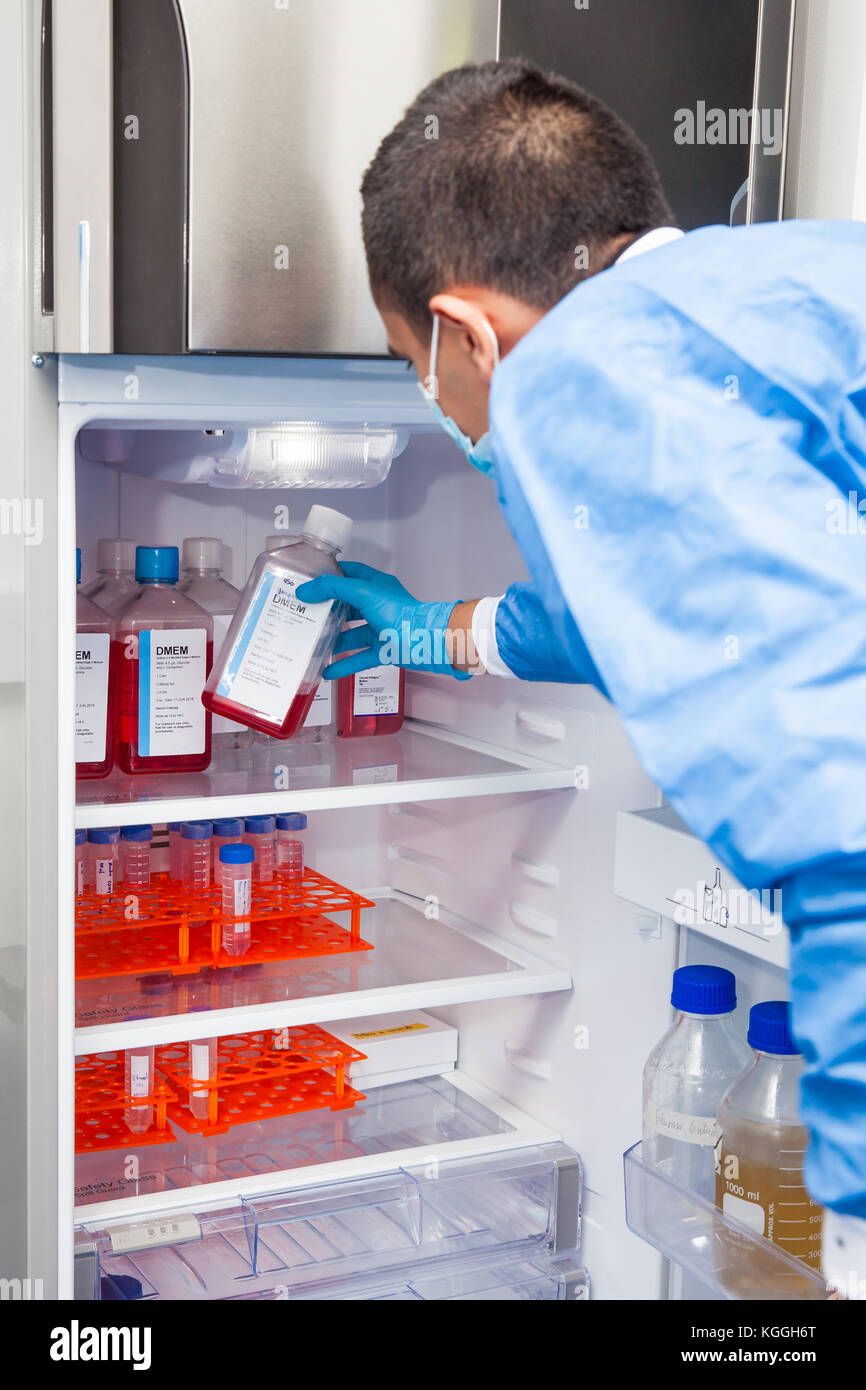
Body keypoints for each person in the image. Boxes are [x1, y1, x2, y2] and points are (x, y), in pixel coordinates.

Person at [295, 59, 866, 1289]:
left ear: (460, 330)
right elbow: (671, 593)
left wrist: (849, 1223)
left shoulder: (576, 376)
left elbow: (847, 829)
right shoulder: (762, 285)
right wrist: (430, 631)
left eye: (413, 367)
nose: (433, 401)